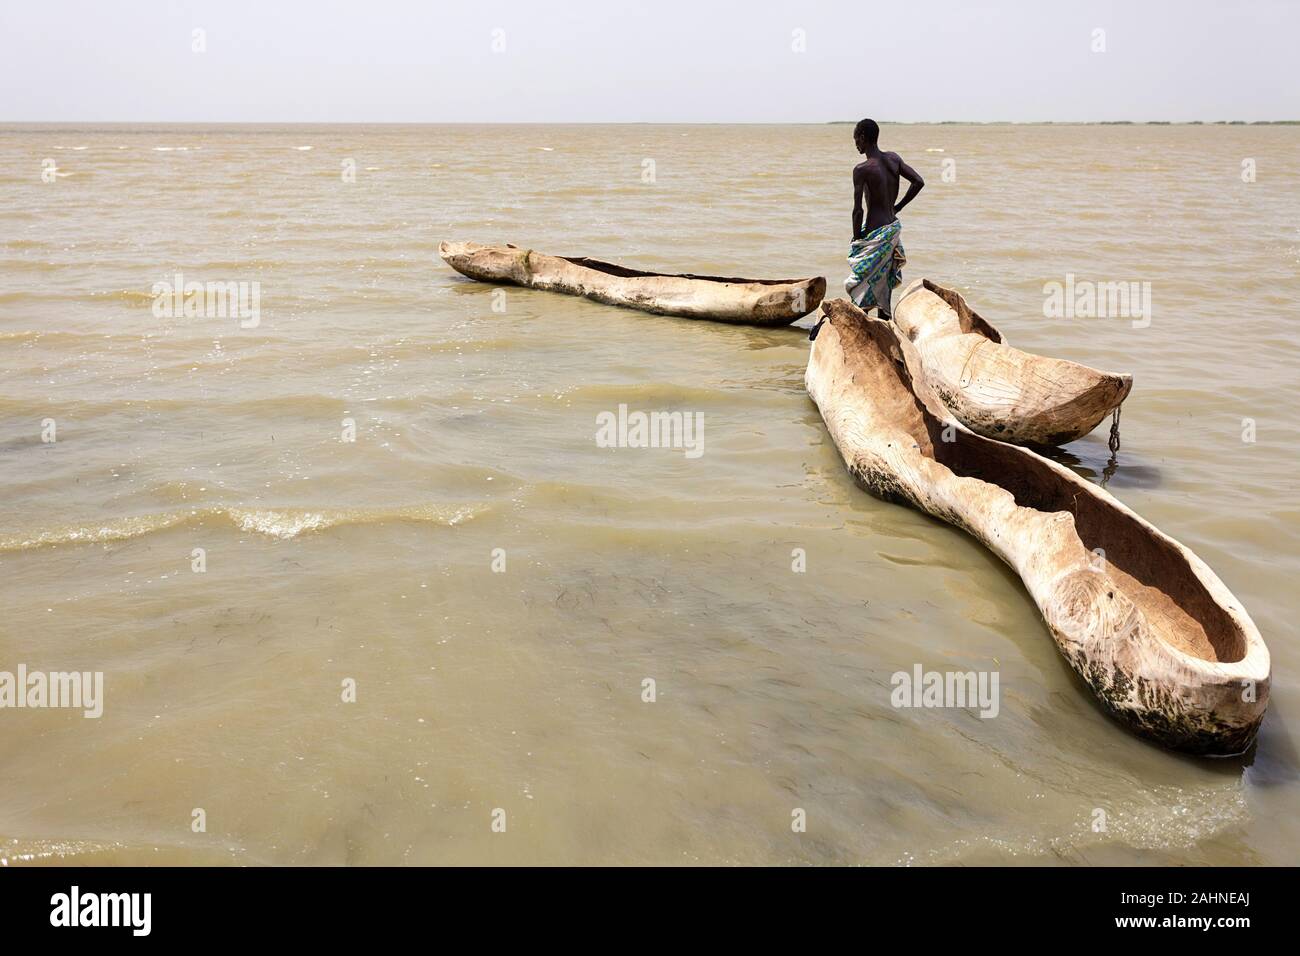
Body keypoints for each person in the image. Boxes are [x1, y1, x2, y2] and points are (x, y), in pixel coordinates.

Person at [845, 119, 924, 320]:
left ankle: (861, 326)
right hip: (891, 230)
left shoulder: (862, 169)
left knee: (861, 285)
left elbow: (857, 210)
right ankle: (885, 326)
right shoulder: (894, 159)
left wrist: (856, 240)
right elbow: (918, 182)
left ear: (862, 137)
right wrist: (897, 207)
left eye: (856, 139)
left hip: (874, 234)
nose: (855, 145)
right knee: (884, 286)